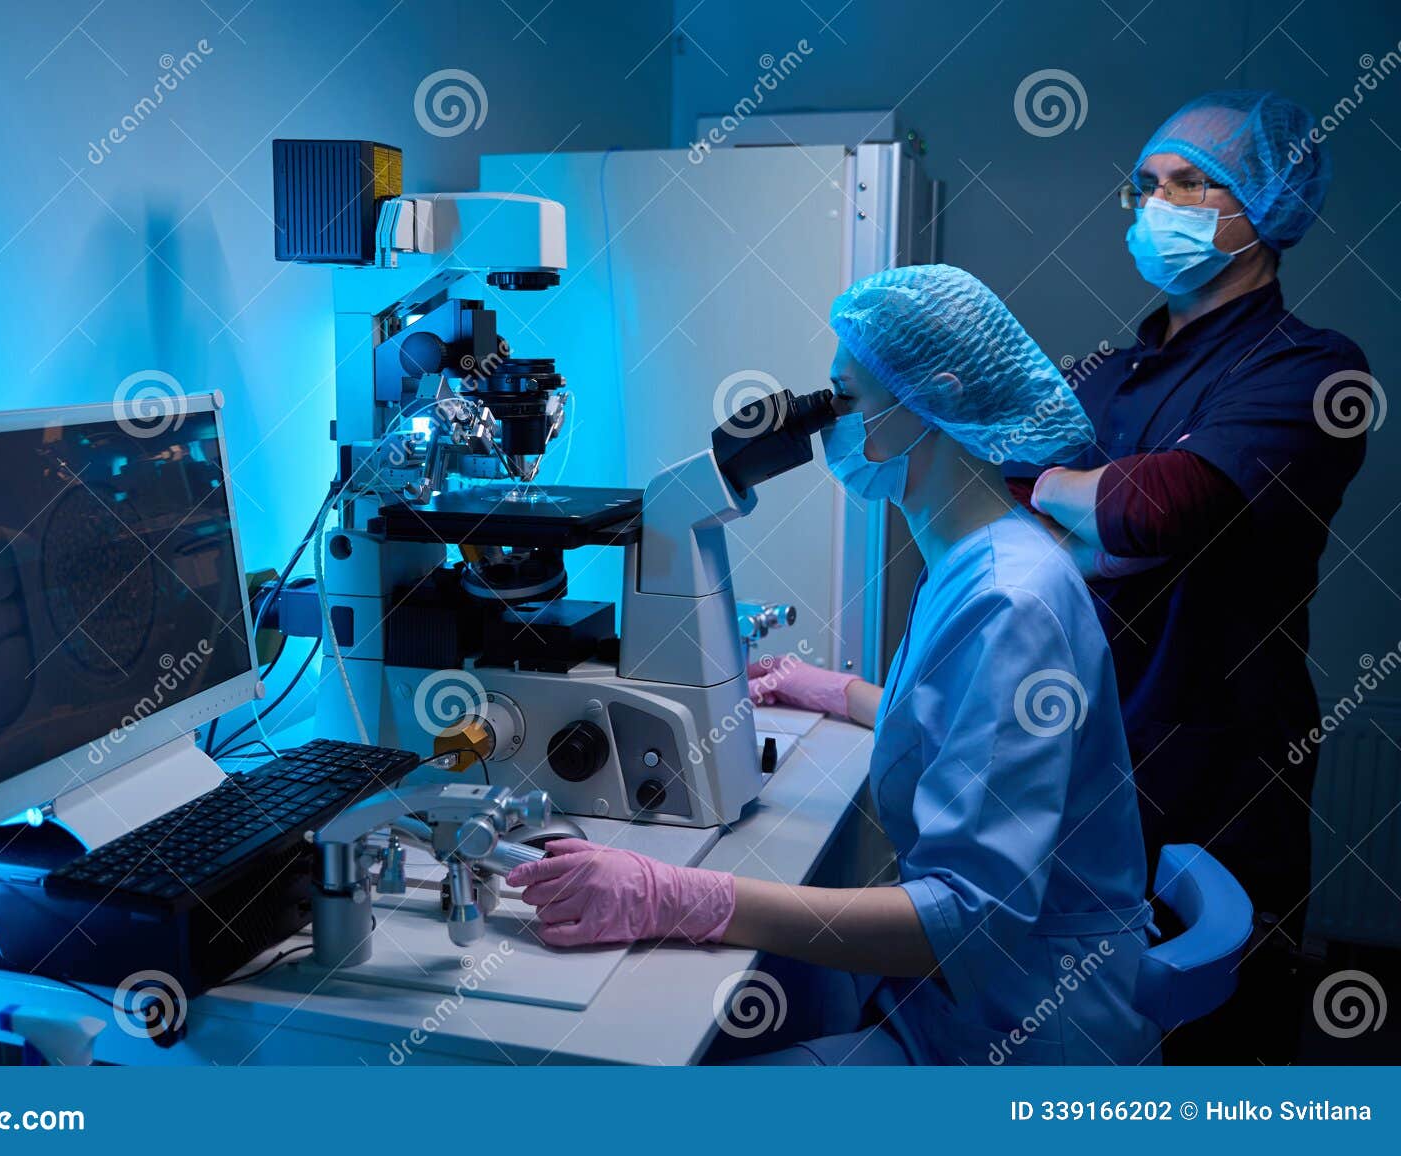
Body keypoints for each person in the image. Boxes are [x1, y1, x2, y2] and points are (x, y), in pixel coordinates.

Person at [509, 265, 1161, 1066]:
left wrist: (680, 898)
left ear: (939, 397)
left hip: (1016, 1035)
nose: (827, 426)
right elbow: (961, 727)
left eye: (843, 397)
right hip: (966, 1005)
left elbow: (963, 919)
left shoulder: (1007, 599)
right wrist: (835, 691)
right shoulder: (980, 557)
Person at [1003, 92, 1372, 1063]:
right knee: (1074, 1036)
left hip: (1217, 769)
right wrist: (1073, 504)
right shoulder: (1108, 372)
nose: (1156, 203)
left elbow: (1150, 510)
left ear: (1260, 208)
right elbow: (999, 492)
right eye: (1145, 185)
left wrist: (1086, 503)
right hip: (1086, 744)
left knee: (1206, 1036)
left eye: (1190, 183)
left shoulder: (1311, 370)